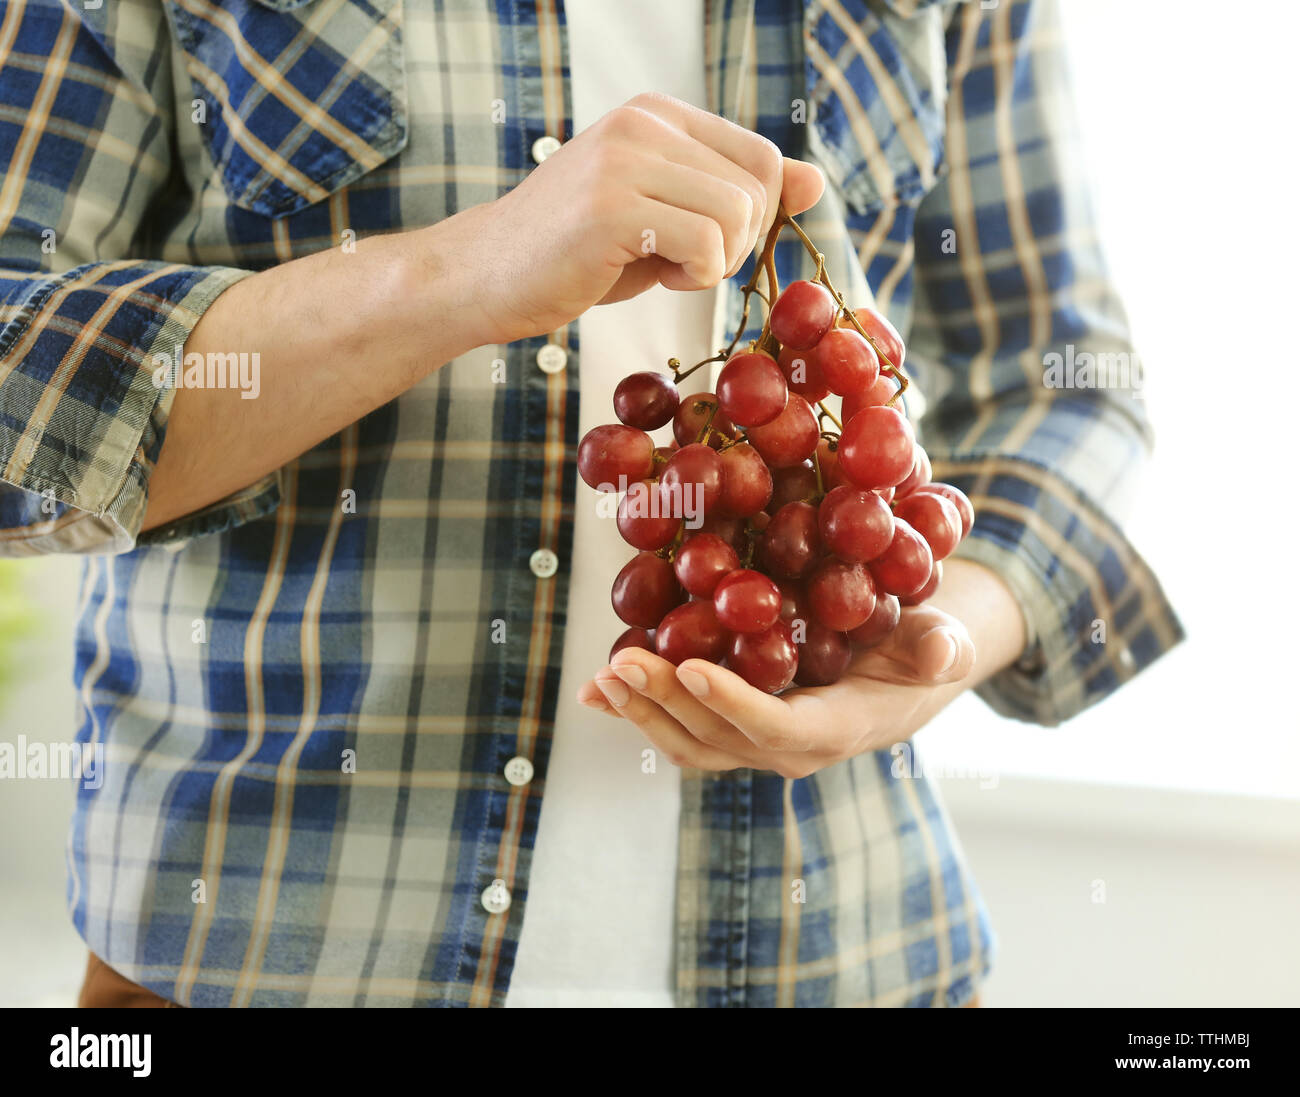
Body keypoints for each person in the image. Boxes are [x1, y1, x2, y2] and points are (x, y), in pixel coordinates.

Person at [0, 0, 1180, 1007]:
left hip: (858, 949)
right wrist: (463, 269)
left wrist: (933, 645)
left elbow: (1064, 385)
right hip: (248, 959)